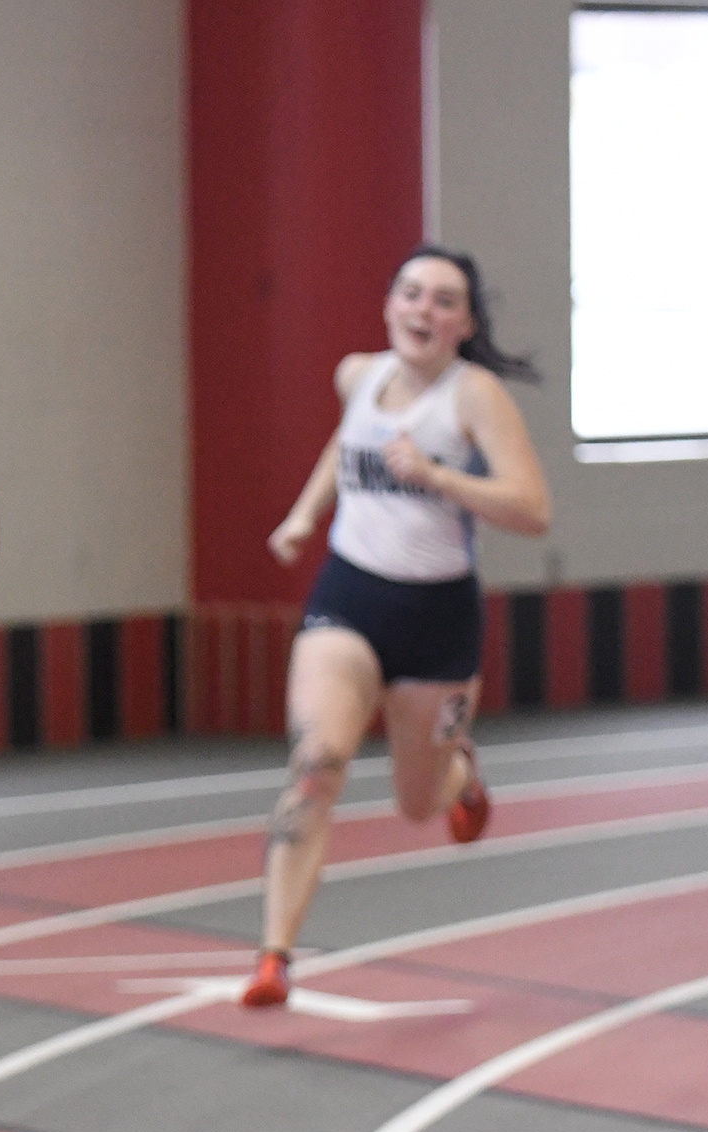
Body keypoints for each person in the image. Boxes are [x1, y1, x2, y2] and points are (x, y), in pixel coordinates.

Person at [243, 245, 552, 1008]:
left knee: (417, 804)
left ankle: (459, 774)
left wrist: (440, 475)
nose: (424, 310)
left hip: (437, 617)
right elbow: (345, 442)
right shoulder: (359, 374)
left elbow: (532, 508)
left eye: (445, 301)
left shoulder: (473, 396)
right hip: (349, 598)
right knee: (316, 764)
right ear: (389, 305)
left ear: (465, 324)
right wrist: (304, 515)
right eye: (412, 294)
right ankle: (274, 955)